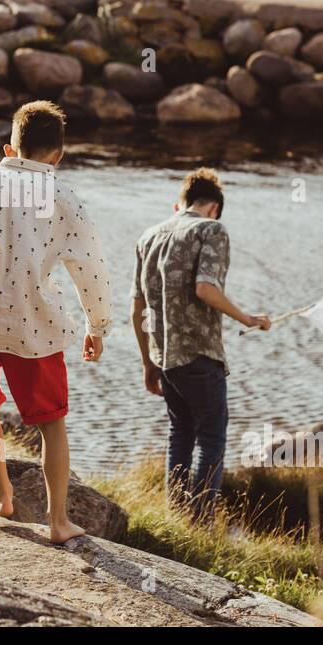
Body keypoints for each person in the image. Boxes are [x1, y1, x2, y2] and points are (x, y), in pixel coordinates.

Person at [0, 101, 111, 544]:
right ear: (59, 155)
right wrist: (97, 325)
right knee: (52, 423)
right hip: (38, 325)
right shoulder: (65, 197)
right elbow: (90, 267)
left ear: (9, 149)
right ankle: (58, 521)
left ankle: (2, 496)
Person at [131, 168, 270, 519]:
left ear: (180, 203)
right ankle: (200, 521)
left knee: (180, 433)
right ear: (215, 208)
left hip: (165, 359)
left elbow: (136, 308)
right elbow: (205, 289)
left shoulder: (150, 236)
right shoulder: (212, 230)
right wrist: (248, 319)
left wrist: (148, 362)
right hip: (198, 354)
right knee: (211, 438)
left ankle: (177, 516)